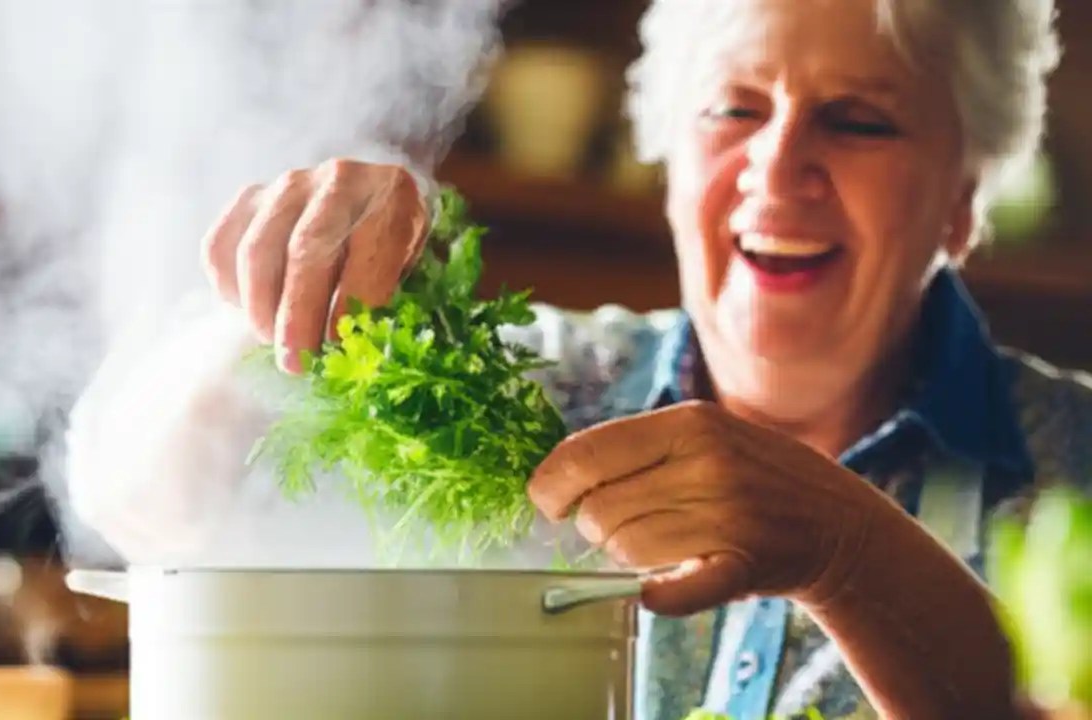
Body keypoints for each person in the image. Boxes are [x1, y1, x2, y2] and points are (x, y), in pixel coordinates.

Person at [69, 0, 1091, 717]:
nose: (776, 167)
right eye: (732, 109)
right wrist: (283, 303)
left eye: (859, 120)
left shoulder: (1071, 463)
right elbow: (145, 499)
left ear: (964, 197)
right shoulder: (534, 392)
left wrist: (848, 553)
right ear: (668, 159)